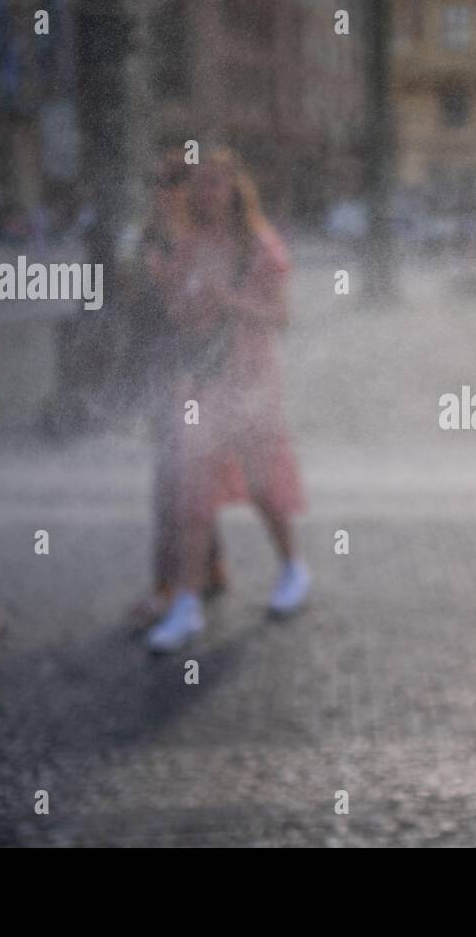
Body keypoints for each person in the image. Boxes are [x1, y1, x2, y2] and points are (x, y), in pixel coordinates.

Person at [144, 150, 309, 653]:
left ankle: (292, 568)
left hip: (252, 381)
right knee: (194, 492)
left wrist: (229, 299)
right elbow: (179, 316)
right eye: (200, 184)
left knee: (262, 484)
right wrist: (173, 290)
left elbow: (281, 316)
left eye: (216, 183)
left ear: (236, 188)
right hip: (203, 383)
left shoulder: (258, 246)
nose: (206, 192)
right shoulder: (189, 246)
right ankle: (186, 602)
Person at [123, 155, 230, 628]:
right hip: (160, 367)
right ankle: (191, 574)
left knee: (185, 477)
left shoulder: (204, 240)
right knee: (174, 477)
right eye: (157, 183)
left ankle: (181, 580)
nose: (164, 192)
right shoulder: (149, 237)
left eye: (174, 183)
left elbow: (214, 312)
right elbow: (138, 308)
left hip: (200, 371)